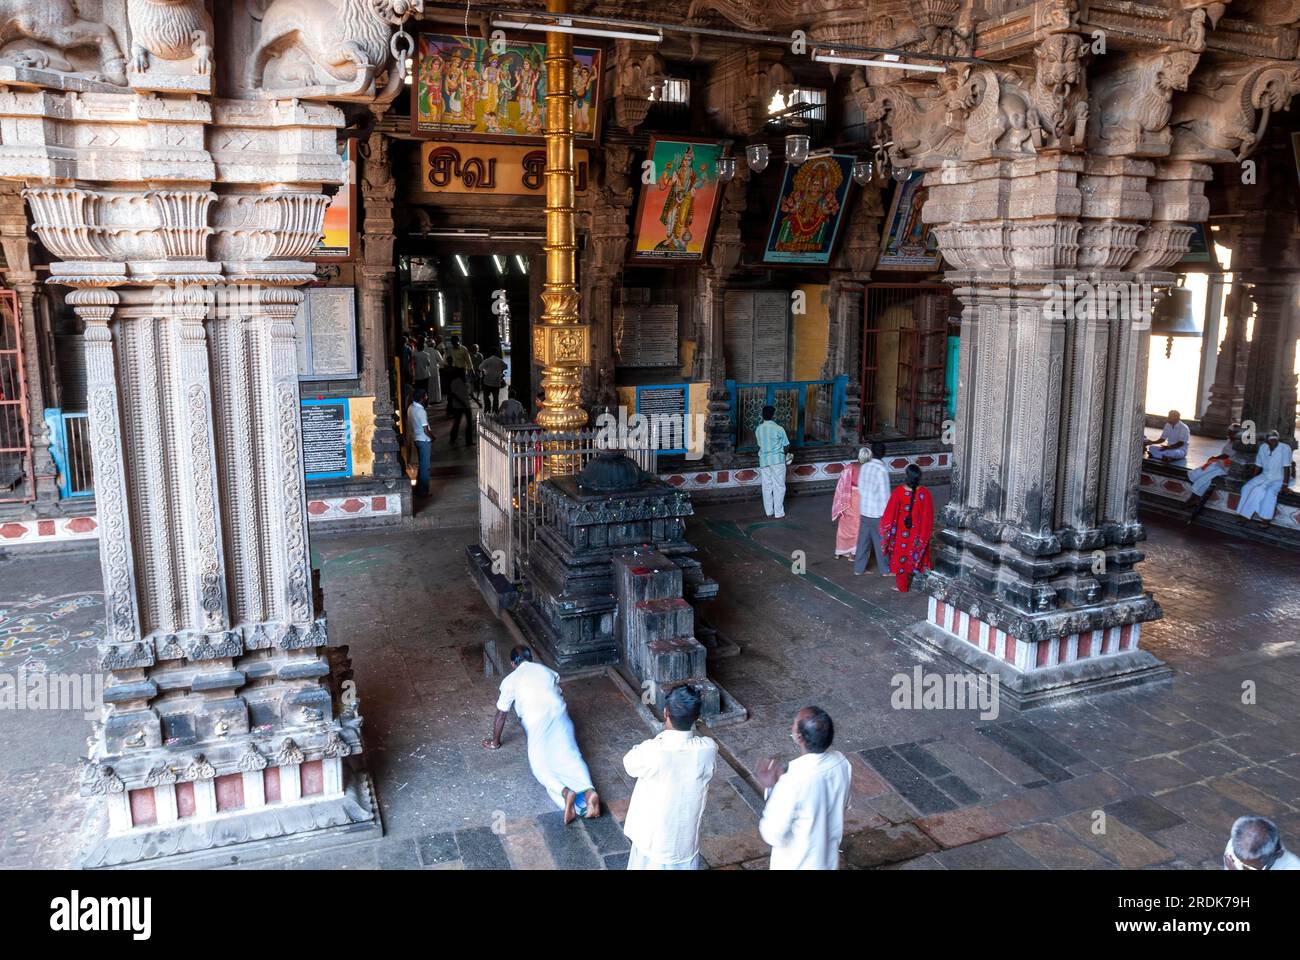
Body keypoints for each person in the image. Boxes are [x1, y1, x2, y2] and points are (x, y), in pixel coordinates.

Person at [484, 646, 600, 824]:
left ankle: (566, 792)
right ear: (531, 658)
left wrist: (495, 742)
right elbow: (559, 693)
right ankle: (589, 791)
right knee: (571, 756)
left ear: (513, 664)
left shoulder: (510, 680)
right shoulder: (547, 671)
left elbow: (501, 714)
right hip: (560, 714)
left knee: (541, 765)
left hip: (537, 721)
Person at [622, 684, 717, 870]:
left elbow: (629, 764)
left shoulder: (654, 750)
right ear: (696, 718)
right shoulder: (708, 749)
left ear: (666, 713)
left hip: (651, 842)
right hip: (685, 842)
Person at [756, 707, 851, 870]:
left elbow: (773, 834)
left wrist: (772, 788)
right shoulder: (842, 763)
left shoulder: (792, 781)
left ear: (799, 737)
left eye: (794, 724)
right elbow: (842, 804)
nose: (791, 727)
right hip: (827, 861)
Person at [880, 463, 934, 592]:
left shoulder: (899, 492)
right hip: (918, 535)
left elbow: (889, 515)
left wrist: (885, 529)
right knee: (919, 558)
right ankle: (923, 585)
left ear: (907, 476)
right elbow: (929, 517)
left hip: (901, 535)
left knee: (901, 561)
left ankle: (902, 587)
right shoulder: (925, 494)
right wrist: (925, 534)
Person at [1236, 430, 1294, 527]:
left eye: (1275, 440)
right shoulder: (1263, 447)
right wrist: (1254, 479)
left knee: (1266, 492)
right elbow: (1258, 465)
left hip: (1279, 478)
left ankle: (1263, 519)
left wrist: (1285, 484)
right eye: (1271, 440)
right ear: (1267, 441)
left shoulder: (1285, 448)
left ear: (1278, 439)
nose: (1273, 442)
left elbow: (1286, 467)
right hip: (1264, 475)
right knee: (1246, 487)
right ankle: (1243, 512)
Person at [1186, 422, 1241, 523]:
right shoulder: (1230, 441)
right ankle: (1194, 496)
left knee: (1207, 477)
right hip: (1221, 464)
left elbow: (1228, 457)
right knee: (1204, 471)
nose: (1228, 434)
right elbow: (1224, 454)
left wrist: (1216, 458)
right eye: (1229, 432)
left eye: (1231, 432)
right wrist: (1216, 458)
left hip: (1229, 468)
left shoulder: (1239, 443)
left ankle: (1195, 497)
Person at [853, 445, 892, 577]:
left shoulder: (864, 467)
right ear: (884, 454)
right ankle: (885, 570)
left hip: (864, 510)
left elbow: (861, 488)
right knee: (881, 542)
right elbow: (885, 495)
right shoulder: (882, 470)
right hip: (878, 513)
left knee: (863, 541)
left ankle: (859, 569)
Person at [1223, 815, 1300, 870]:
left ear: (1278, 853)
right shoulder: (1236, 849)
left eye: (1250, 868)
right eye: (1237, 860)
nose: (1241, 867)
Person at [755, 405, 790, 519]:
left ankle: (769, 511)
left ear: (762, 415)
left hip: (764, 461)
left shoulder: (758, 429)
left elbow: (760, 444)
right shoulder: (779, 429)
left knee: (766, 486)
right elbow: (786, 445)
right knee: (779, 486)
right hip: (777, 461)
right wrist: (785, 453)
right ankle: (778, 512)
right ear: (773, 415)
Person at [831, 452, 862, 560]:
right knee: (857, 525)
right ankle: (853, 553)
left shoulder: (849, 467)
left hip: (847, 499)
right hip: (860, 499)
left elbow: (841, 485)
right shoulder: (868, 469)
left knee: (844, 523)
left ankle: (839, 551)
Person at [406, 388, 433, 497]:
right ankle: (423, 491)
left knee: (422, 465)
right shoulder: (421, 411)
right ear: (422, 398)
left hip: (416, 438)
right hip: (424, 440)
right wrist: (433, 437)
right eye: (425, 396)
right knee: (425, 467)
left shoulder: (411, 407)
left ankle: (418, 488)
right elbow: (426, 430)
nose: (427, 398)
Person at [448, 373, 475, 446]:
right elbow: (453, 394)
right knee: (457, 423)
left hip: (466, 405)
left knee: (468, 423)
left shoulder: (467, 382)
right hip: (458, 406)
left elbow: (470, 394)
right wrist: (461, 402)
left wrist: (477, 402)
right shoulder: (455, 382)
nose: (465, 375)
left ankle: (468, 441)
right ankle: (453, 438)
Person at [479, 350, 506, 416]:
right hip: (496, 382)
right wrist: (500, 370)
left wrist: (485, 370)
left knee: (486, 396)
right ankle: (495, 411)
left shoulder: (487, 360)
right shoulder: (500, 360)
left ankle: (487, 409)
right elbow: (506, 366)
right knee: (496, 397)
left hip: (487, 382)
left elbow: (480, 367)